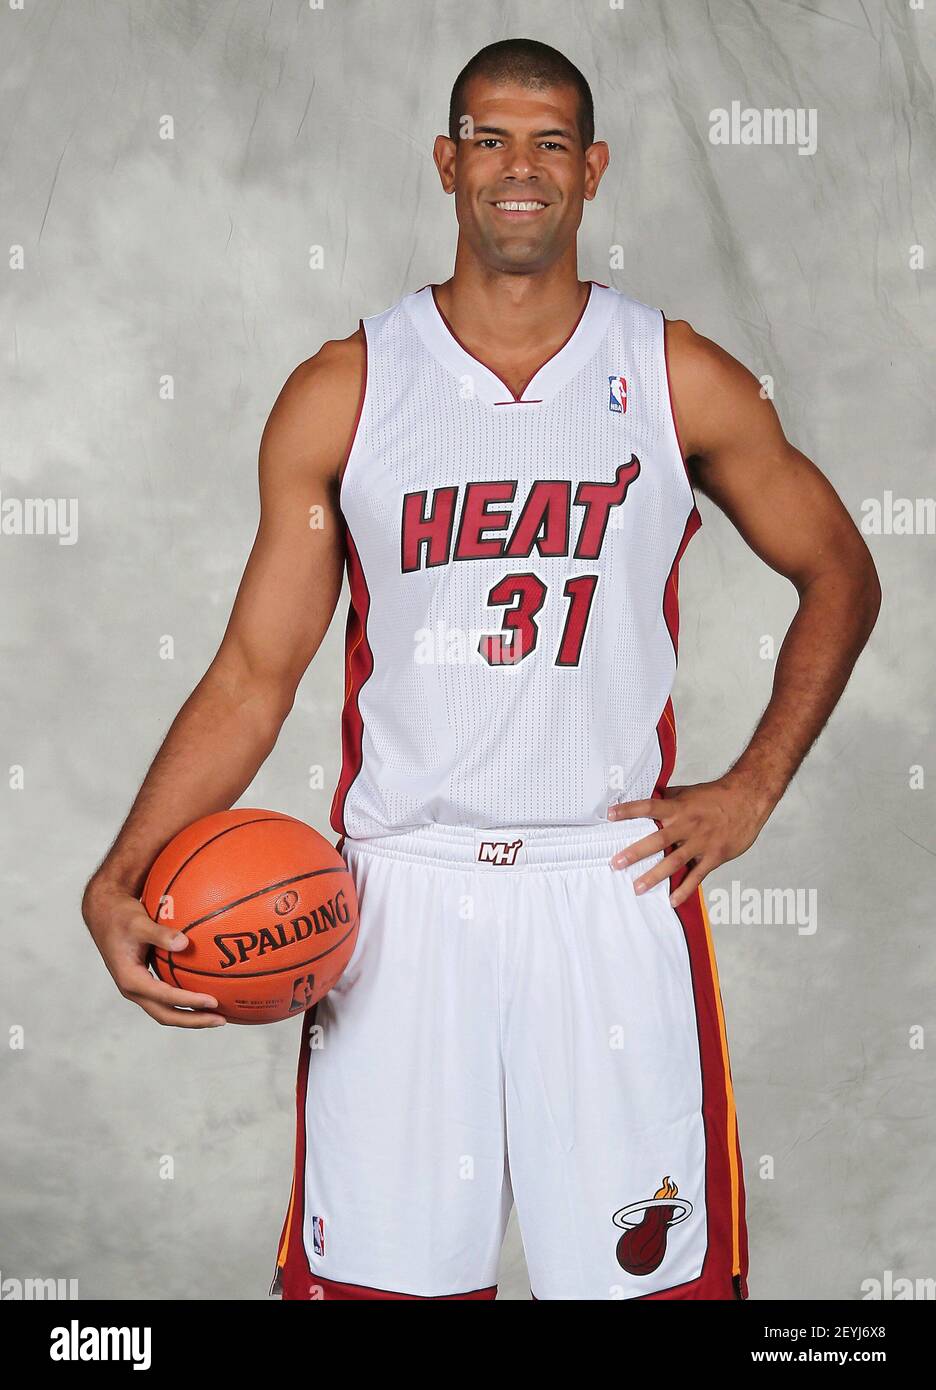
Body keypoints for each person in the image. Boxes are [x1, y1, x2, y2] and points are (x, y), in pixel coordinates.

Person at [83, 39, 881, 1301]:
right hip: (401, 900)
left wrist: (755, 785)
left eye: (552, 141)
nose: (522, 168)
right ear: (448, 162)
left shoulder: (672, 376)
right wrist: (123, 872)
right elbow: (252, 670)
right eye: (492, 138)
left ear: (594, 169)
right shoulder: (347, 388)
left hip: (608, 883)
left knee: (649, 1288)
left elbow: (841, 568)